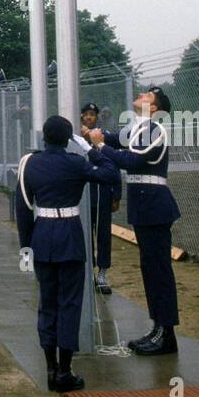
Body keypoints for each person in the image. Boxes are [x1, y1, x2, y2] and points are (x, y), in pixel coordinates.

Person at [17, 114, 121, 392]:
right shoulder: (76, 162)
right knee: (70, 304)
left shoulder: (29, 163)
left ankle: (50, 369)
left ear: (44, 136)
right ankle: (64, 370)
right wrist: (90, 148)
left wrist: (25, 250)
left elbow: (23, 211)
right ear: (67, 139)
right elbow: (111, 173)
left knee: (47, 303)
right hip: (70, 236)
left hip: (42, 236)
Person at [89, 86, 179, 356]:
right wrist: (94, 136)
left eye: (146, 97)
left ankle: (167, 335)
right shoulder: (138, 127)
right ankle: (158, 329)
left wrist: (100, 144)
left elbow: (132, 160)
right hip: (144, 207)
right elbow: (117, 139)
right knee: (150, 270)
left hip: (155, 207)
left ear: (154, 109)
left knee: (159, 272)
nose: (140, 96)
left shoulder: (156, 130)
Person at [79, 101, 120, 294]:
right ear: (80, 117)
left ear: (97, 118)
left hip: (102, 194)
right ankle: (87, 270)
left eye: (92, 115)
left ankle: (102, 273)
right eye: (85, 114)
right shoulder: (75, 139)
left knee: (103, 235)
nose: (89, 118)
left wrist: (116, 195)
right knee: (85, 234)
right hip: (82, 195)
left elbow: (114, 167)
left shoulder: (103, 139)